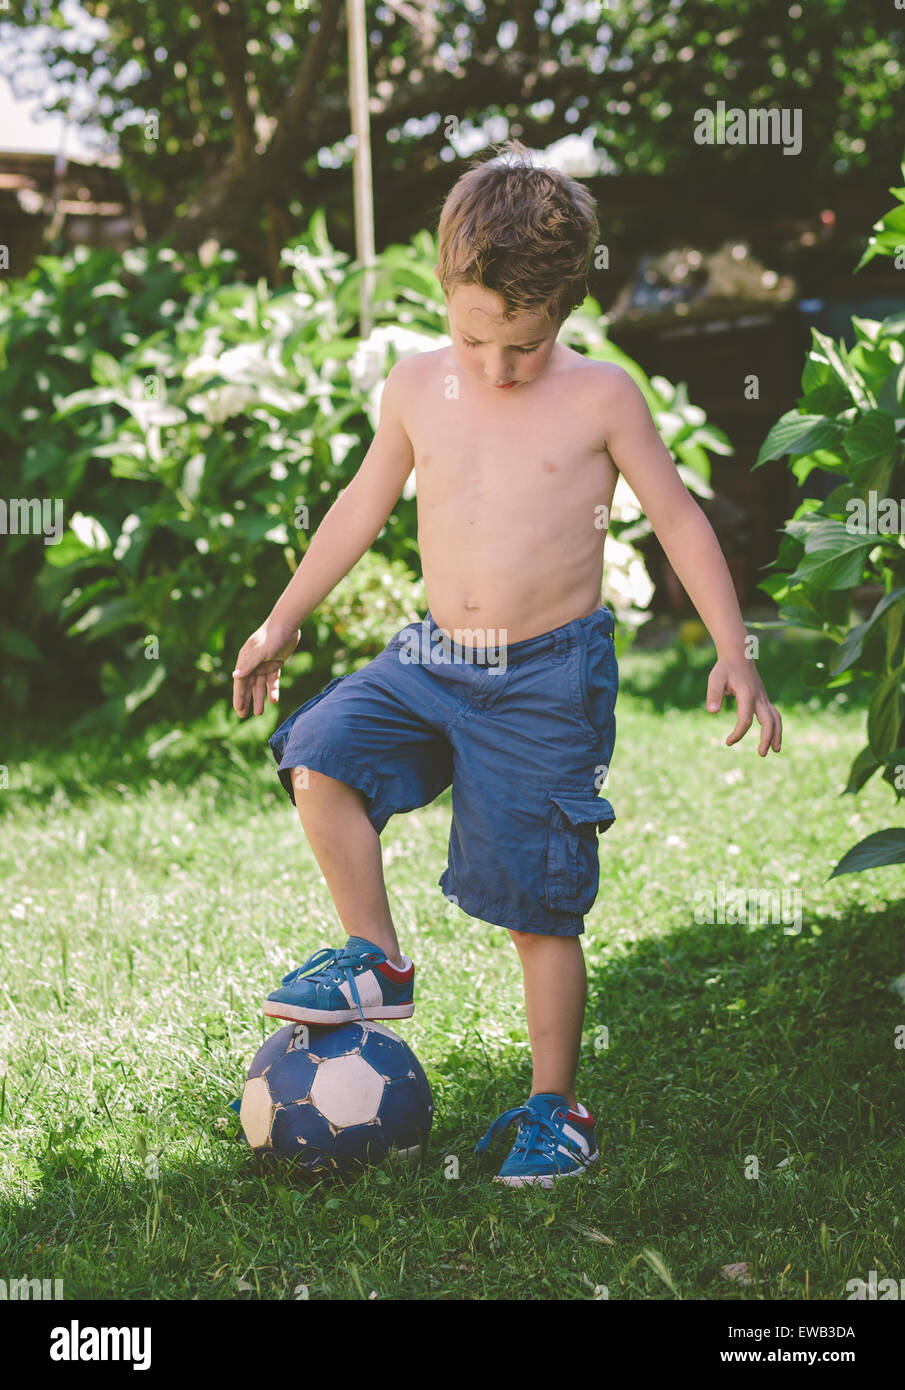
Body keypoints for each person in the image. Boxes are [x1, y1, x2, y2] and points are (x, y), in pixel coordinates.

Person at [231, 140, 782, 1187]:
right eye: (474, 333)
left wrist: (731, 647)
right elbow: (361, 502)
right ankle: (376, 959)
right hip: (433, 658)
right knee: (318, 755)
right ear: (446, 289)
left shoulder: (601, 397)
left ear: (564, 309)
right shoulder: (413, 386)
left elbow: (675, 516)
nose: (494, 364)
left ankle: (553, 1106)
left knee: (539, 907)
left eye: (521, 346)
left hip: (544, 679)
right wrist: (283, 617)